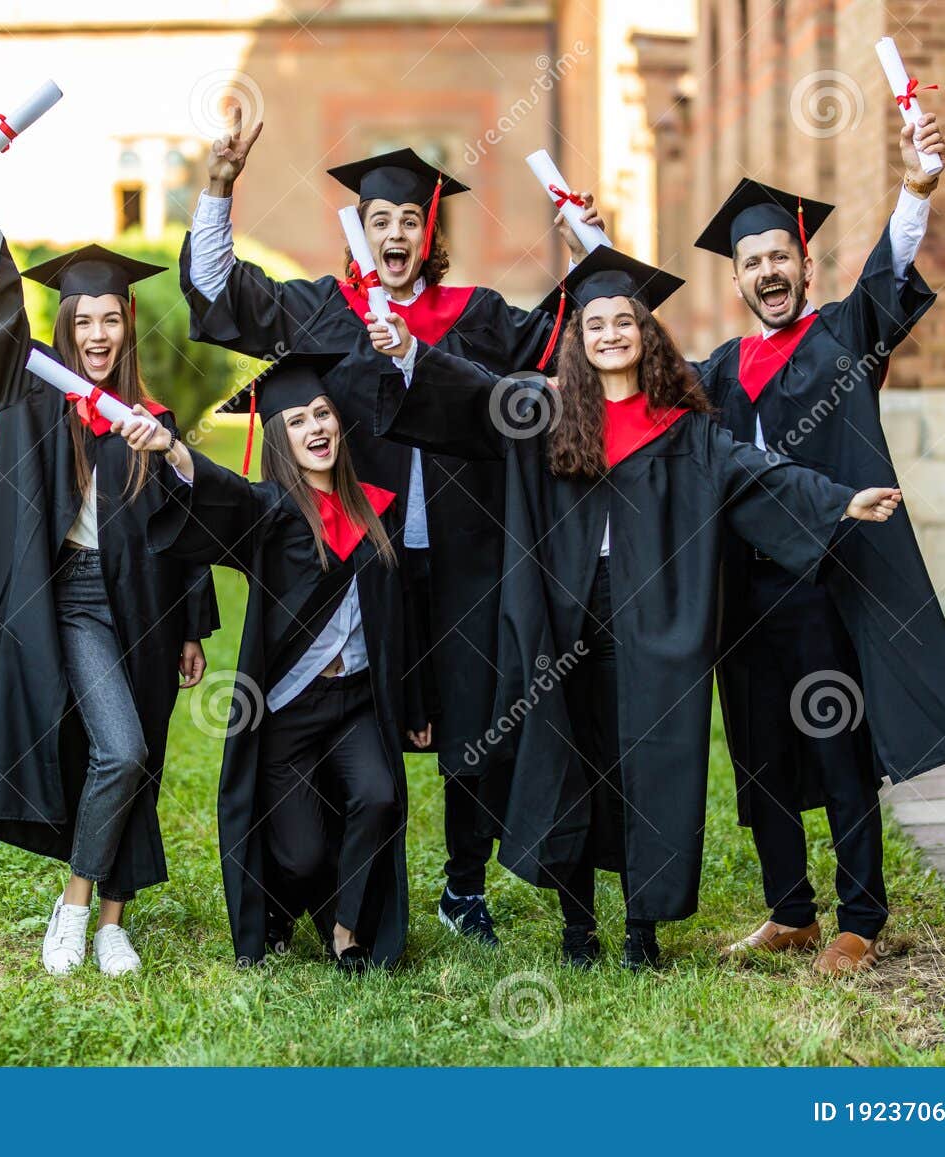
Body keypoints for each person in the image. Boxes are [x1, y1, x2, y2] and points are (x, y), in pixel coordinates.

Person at [366, 246, 904, 969]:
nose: (611, 333)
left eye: (625, 321)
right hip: (564, 613)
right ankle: (577, 928)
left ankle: (641, 931)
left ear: (646, 335)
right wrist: (409, 351)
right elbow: (472, 392)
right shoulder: (548, 411)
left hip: (650, 619)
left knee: (646, 765)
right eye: (596, 324)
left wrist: (839, 501)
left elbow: (755, 472)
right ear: (579, 340)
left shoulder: (682, 429)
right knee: (571, 758)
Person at [180, 116, 606, 948]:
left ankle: (464, 882)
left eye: (411, 220)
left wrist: (588, 244)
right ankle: (347, 879)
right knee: (363, 715)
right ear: (362, 232)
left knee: (473, 718)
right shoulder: (325, 314)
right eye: (381, 221)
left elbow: (572, 336)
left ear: (429, 230)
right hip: (358, 564)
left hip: (465, 558)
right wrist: (220, 185)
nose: (396, 234)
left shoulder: (474, 315)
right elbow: (224, 294)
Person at [688, 114, 945, 975]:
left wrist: (917, 186)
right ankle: (791, 911)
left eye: (781, 255)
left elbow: (888, 275)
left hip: (824, 589)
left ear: (805, 263)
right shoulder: (716, 370)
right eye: (754, 262)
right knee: (759, 750)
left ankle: (859, 915)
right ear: (738, 277)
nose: (769, 271)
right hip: (743, 591)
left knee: (837, 744)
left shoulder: (843, 338)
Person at [0, 141, 218, 978]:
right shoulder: (33, 393)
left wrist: (194, 622)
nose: (97, 332)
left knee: (138, 751)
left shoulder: (151, 415)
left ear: (129, 323)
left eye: (111, 318)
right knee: (119, 749)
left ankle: (110, 922)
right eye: (83, 319)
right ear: (66, 325)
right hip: (59, 596)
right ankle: (70, 909)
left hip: (139, 601)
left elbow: (182, 520)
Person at [137, 351, 421, 972]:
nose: (315, 428)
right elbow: (220, 494)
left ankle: (346, 933)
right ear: (276, 439)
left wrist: (415, 703)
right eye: (296, 421)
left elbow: (404, 619)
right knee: (299, 857)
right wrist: (175, 452)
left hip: (355, 703)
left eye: (322, 414)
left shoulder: (377, 509)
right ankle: (283, 908)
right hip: (289, 712)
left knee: (377, 797)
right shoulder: (270, 513)